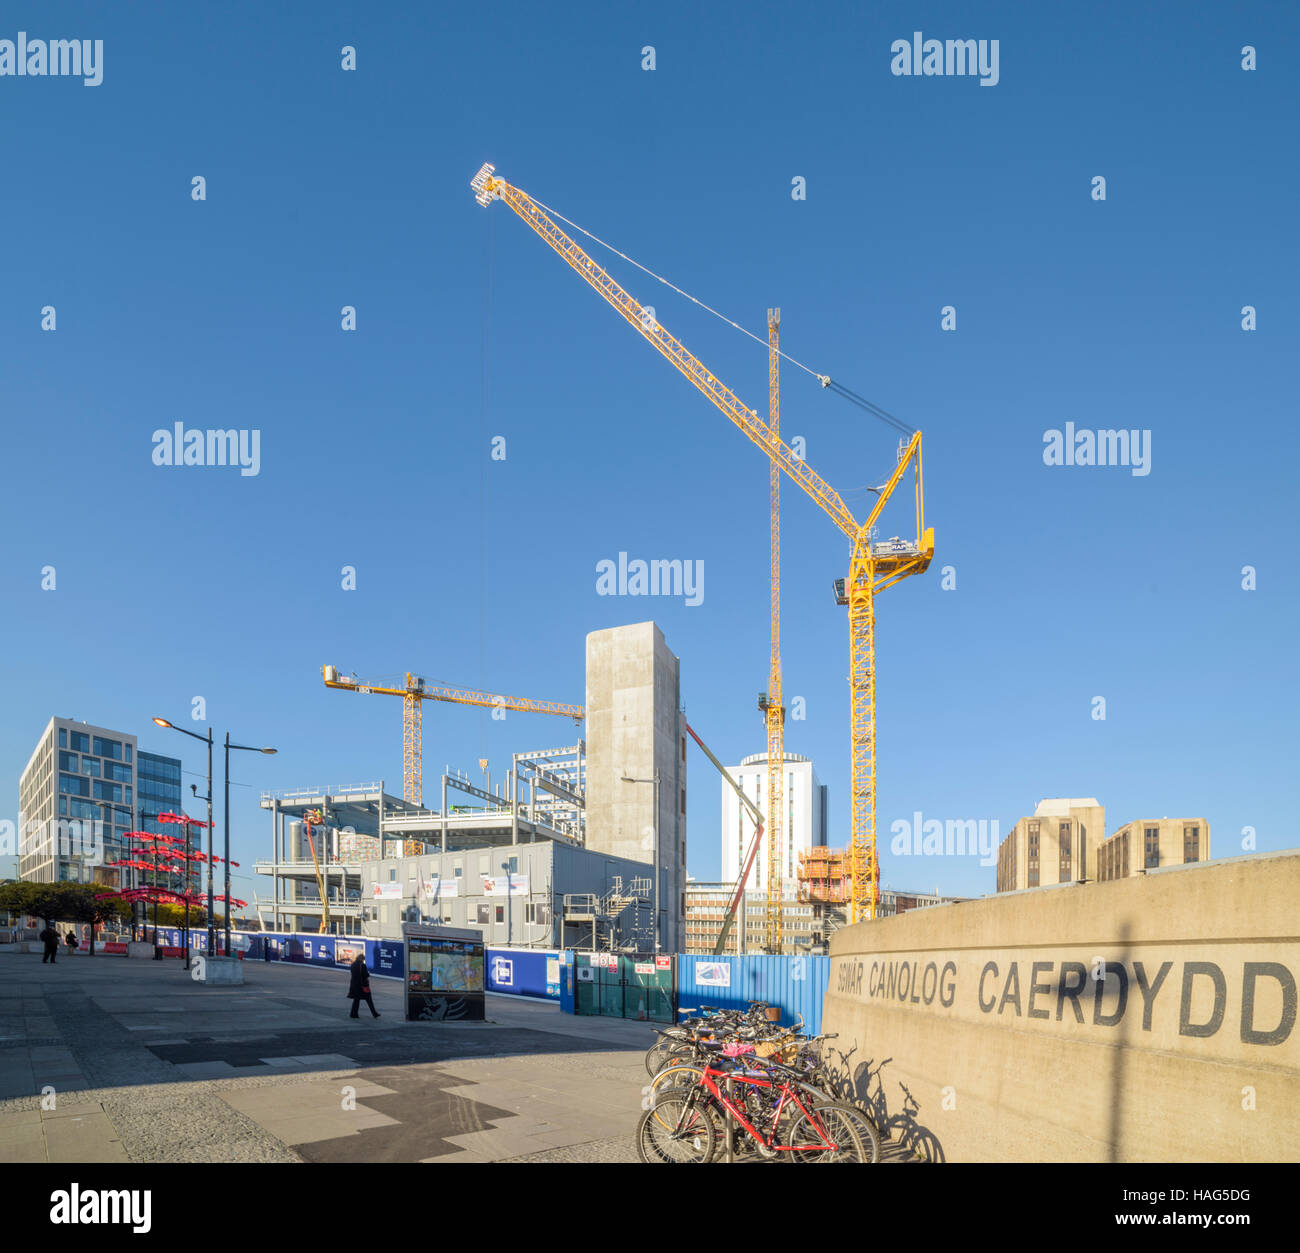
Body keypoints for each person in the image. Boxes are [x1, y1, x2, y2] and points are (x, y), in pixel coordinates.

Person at [347, 952, 380, 1020]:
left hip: (354, 985)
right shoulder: (362, 965)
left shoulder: (353, 964)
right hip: (362, 986)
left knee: (356, 1000)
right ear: (362, 959)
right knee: (369, 999)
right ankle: (374, 1013)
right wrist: (368, 974)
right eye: (363, 959)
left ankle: (353, 1014)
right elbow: (365, 975)